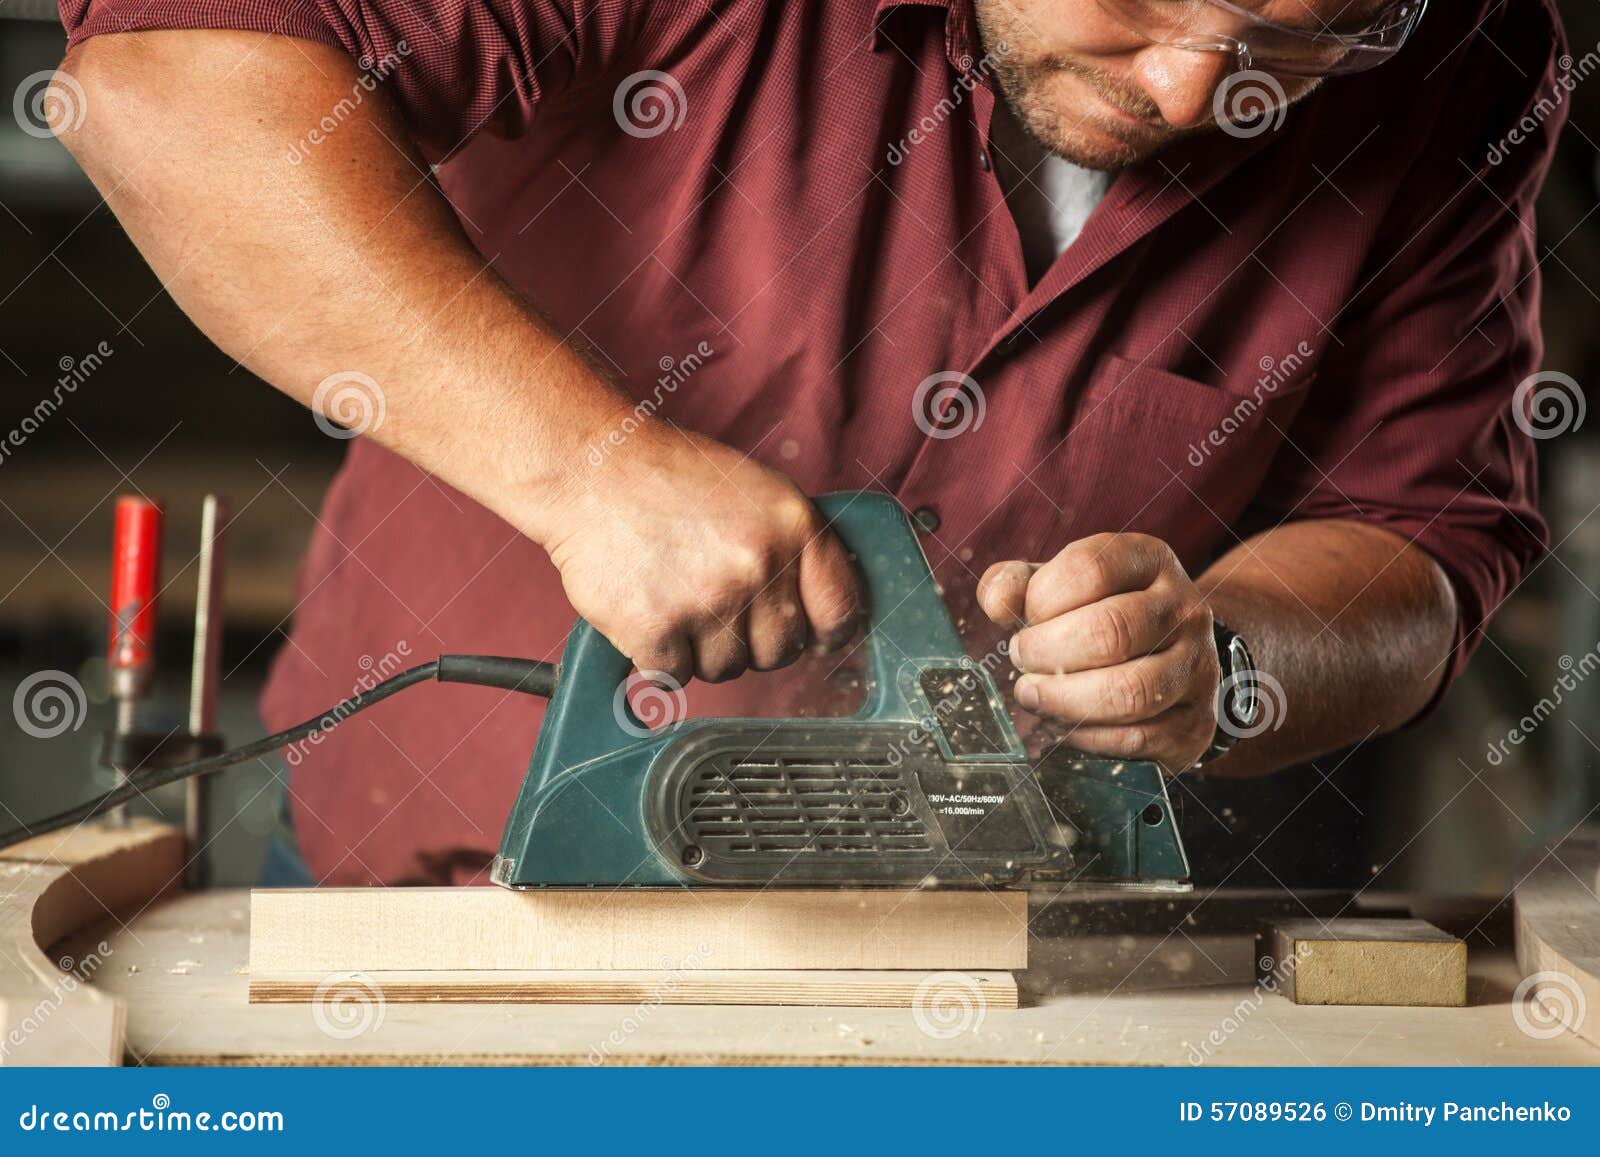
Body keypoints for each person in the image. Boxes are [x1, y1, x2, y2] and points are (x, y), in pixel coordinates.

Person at [50, 0, 1567, 884]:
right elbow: (169, 81)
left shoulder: (1458, 60)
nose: (1194, 87)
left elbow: (1423, 528)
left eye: (1303, 37)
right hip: (444, 909)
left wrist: (1223, 658)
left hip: (1007, 949)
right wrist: (583, 466)